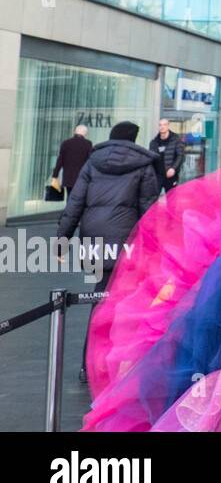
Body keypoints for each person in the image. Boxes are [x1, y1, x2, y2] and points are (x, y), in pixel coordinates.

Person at [58, 121, 161, 382]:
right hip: (126, 245)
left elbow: (75, 203)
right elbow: (148, 210)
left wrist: (63, 238)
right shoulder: (143, 166)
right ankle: (117, 366)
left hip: (94, 244)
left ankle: (89, 365)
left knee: (97, 302)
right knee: (125, 304)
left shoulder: (93, 162)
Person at [50, 125, 93, 202]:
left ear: (74, 132)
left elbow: (60, 160)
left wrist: (55, 175)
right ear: (85, 134)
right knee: (81, 199)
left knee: (70, 198)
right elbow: (90, 161)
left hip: (68, 177)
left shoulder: (66, 143)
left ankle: (68, 213)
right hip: (82, 177)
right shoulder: (88, 144)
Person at [148, 118, 183, 192]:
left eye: (164, 124)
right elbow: (150, 158)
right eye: (160, 125)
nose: (162, 127)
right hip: (157, 176)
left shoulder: (176, 139)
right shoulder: (154, 142)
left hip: (170, 175)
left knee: (171, 199)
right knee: (153, 199)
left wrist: (173, 168)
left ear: (168, 126)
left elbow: (180, 156)